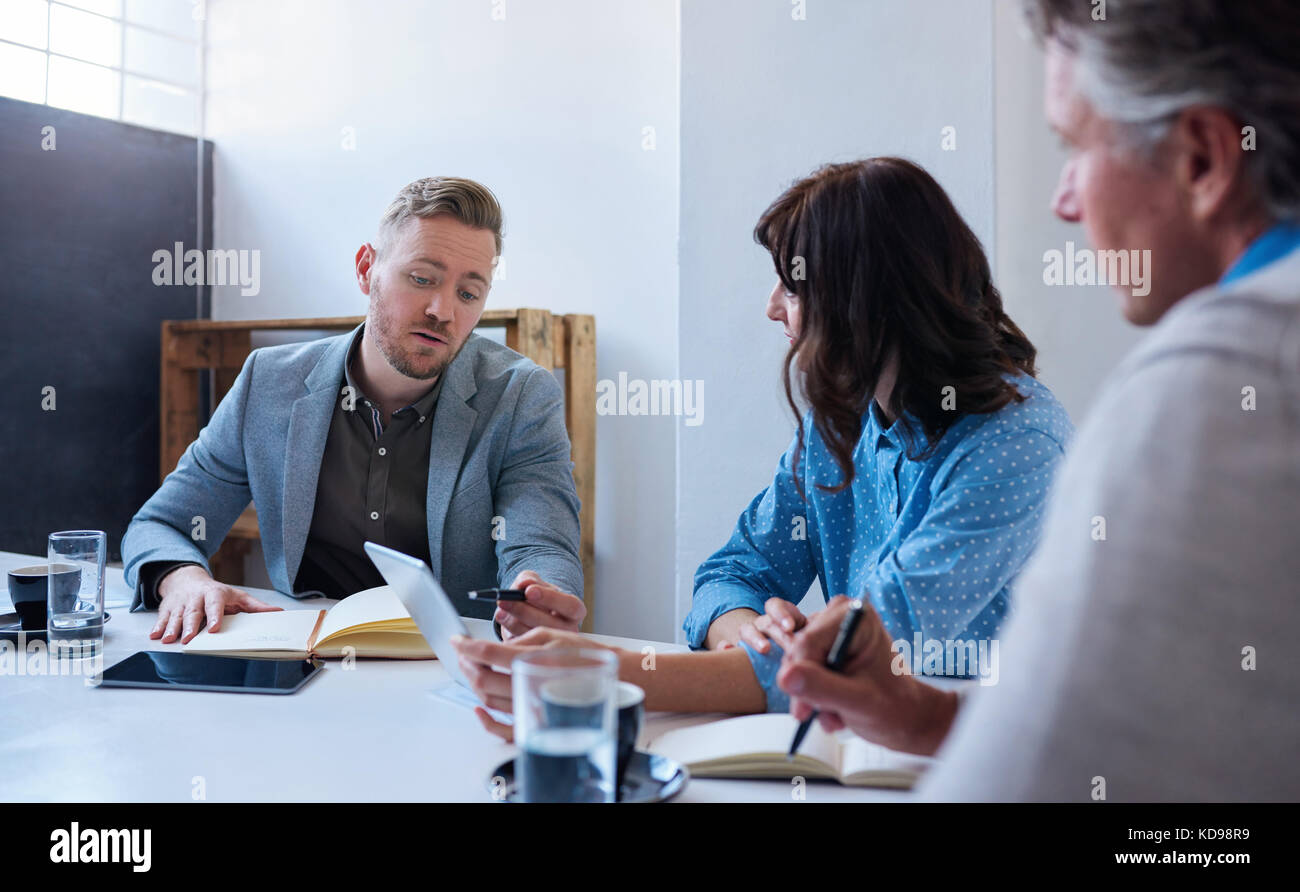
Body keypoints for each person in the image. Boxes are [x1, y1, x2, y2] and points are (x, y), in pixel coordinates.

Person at [777, 0, 1300, 800]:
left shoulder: (1224, 376)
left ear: (1203, 158)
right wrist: (927, 719)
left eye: (1077, 147)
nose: (1065, 201)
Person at [454, 157, 1072, 737]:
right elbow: (729, 575)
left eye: (793, 287)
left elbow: (853, 664)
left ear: (870, 301)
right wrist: (752, 632)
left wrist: (596, 668)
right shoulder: (845, 421)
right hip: (852, 741)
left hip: (972, 756)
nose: (771, 307)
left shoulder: (1015, 445)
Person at [121, 177, 584, 644]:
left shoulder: (522, 395)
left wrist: (540, 595)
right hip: (301, 657)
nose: (442, 310)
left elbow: (540, 545)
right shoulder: (269, 382)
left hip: (448, 664)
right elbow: (162, 524)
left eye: (468, 294)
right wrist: (183, 578)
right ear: (367, 269)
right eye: (422, 278)